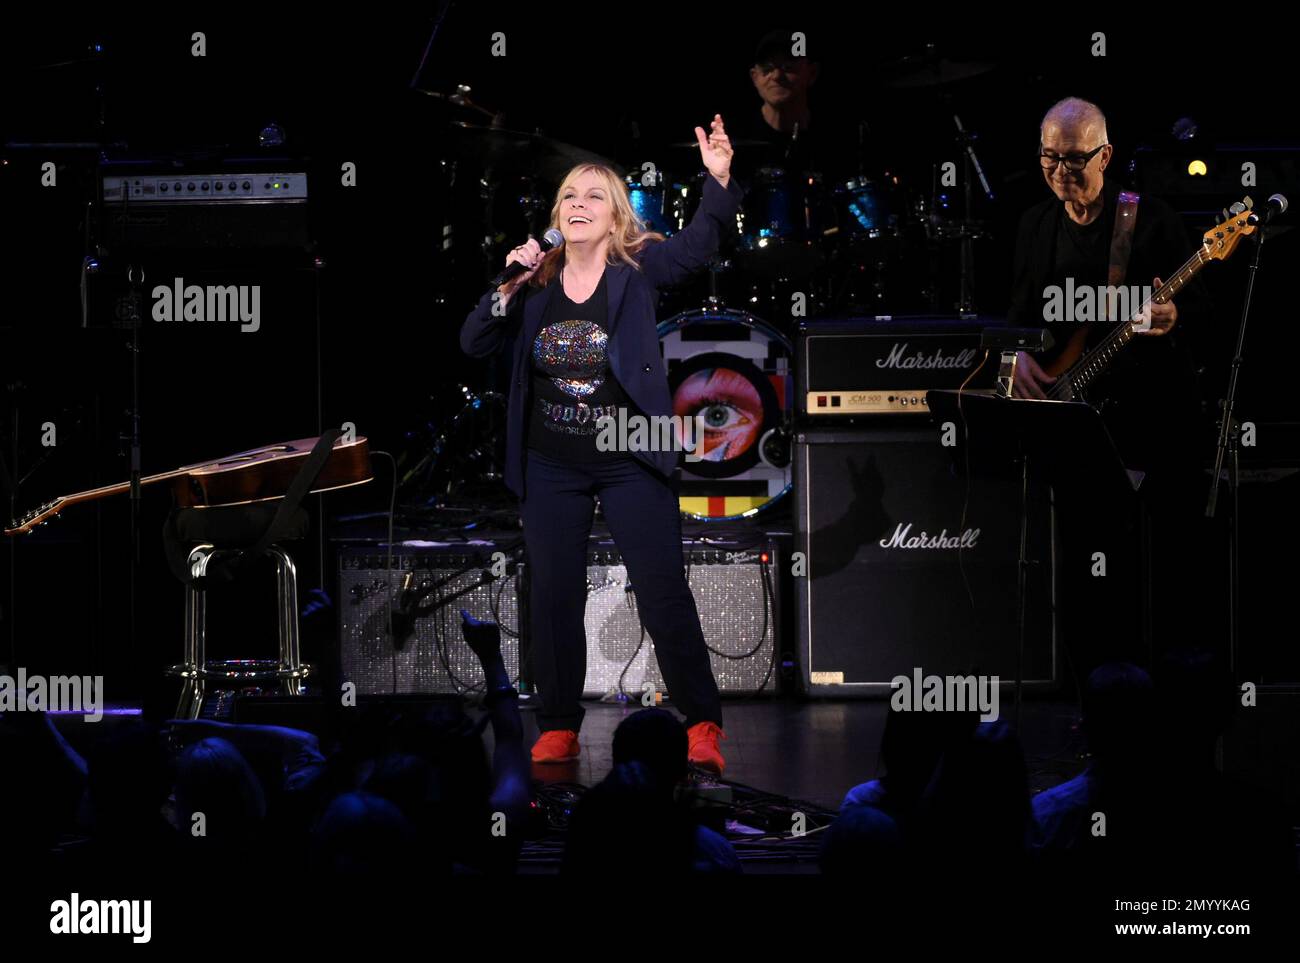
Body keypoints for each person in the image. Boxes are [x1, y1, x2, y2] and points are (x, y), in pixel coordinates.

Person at [461, 115, 744, 774]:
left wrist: (719, 181)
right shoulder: (533, 286)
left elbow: (699, 245)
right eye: (569, 196)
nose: (579, 204)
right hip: (550, 458)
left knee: (662, 588)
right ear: (557, 215)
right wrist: (508, 281)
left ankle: (701, 721)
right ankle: (557, 726)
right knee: (554, 593)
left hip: (628, 450)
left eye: (594, 196)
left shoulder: (637, 269)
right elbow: (472, 343)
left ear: (615, 218)